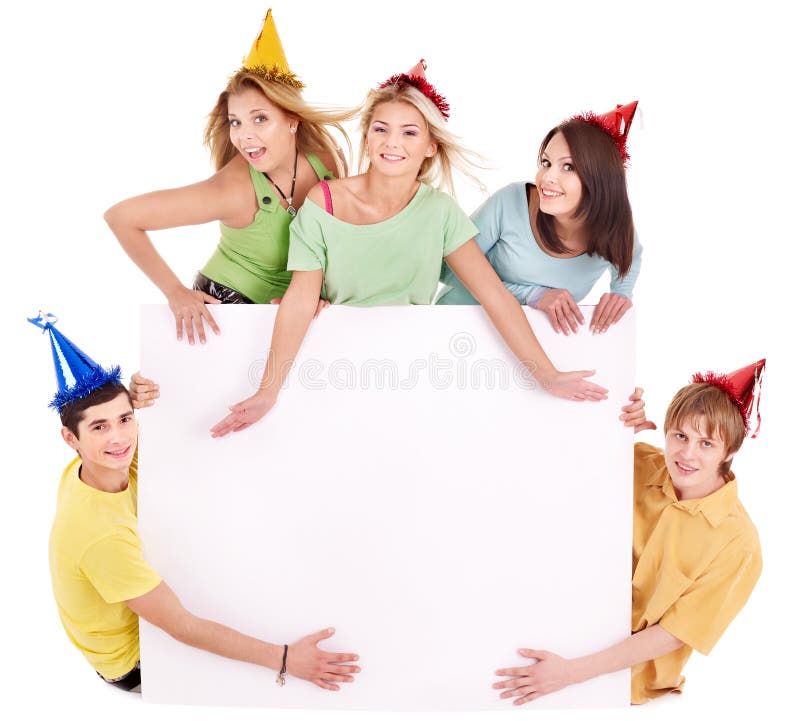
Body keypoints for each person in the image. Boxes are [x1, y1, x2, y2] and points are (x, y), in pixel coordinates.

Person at [210, 60, 611, 437]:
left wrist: (546, 375)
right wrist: (268, 391)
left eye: (409, 132)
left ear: (431, 145)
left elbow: (494, 295)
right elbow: (300, 298)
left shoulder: (439, 212)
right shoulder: (323, 202)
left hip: (409, 368)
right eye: (381, 129)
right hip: (331, 365)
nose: (392, 143)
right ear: (367, 135)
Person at [31, 312, 360, 692]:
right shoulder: (100, 535)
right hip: (132, 661)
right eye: (99, 427)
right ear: (70, 439)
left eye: (124, 419)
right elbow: (183, 626)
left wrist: (141, 390)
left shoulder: (98, 463)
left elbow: (147, 422)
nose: (119, 437)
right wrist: (286, 658)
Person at [492, 359, 764, 705]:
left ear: (731, 451)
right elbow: (557, 479)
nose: (687, 454)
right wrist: (613, 430)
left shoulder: (739, 543)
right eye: (680, 435)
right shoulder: (637, 462)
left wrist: (571, 673)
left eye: (706, 443)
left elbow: (674, 633)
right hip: (558, 632)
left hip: (626, 685)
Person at [104, 9, 350, 345]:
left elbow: (338, 240)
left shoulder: (327, 161)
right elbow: (121, 217)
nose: (244, 136)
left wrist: (316, 292)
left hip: (291, 312)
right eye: (236, 122)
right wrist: (175, 292)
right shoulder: (233, 189)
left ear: (292, 120)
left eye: (260, 119)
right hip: (226, 307)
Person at [438, 102, 642, 336]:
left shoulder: (615, 230)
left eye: (568, 167)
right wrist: (532, 294)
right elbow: (447, 271)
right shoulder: (510, 203)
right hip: (458, 327)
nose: (547, 177)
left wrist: (621, 293)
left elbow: (632, 255)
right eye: (546, 163)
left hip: (535, 343)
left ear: (601, 180)